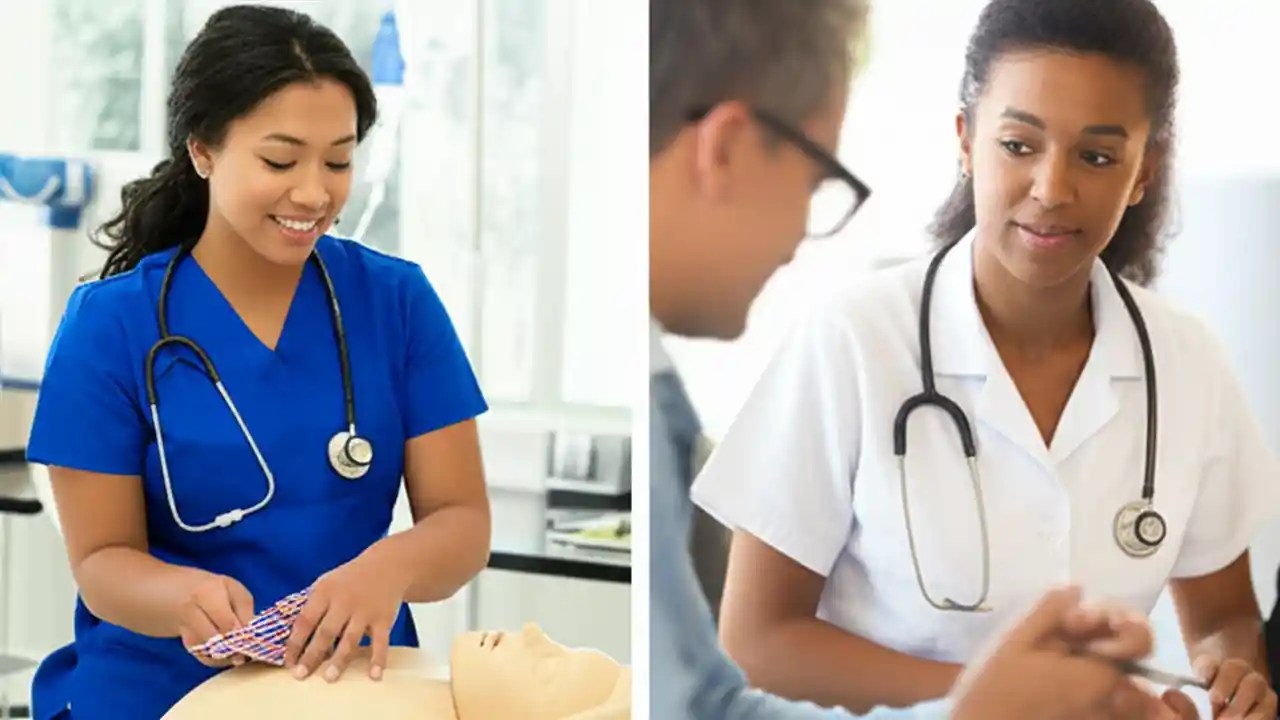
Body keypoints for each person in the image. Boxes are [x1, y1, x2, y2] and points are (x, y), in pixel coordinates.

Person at [689, 0, 1280, 716]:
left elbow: (1222, 620)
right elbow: (757, 642)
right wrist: (1019, 703)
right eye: (1018, 145)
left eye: (1097, 156)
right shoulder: (854, 338)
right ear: (966, 140)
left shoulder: (1187, 364)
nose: (1052, 189)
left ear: (1144, 171)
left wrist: (1230, 678)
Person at [25, 6, 490, 718]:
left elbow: (460, 521)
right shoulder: (110, 326)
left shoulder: (396, 303)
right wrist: (179, 597)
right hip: (158, 695)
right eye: (280, 160)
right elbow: (101, 563)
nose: (315, 192)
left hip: (351, 693)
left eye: (338, 160)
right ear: (203, 150)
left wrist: (388, 568)